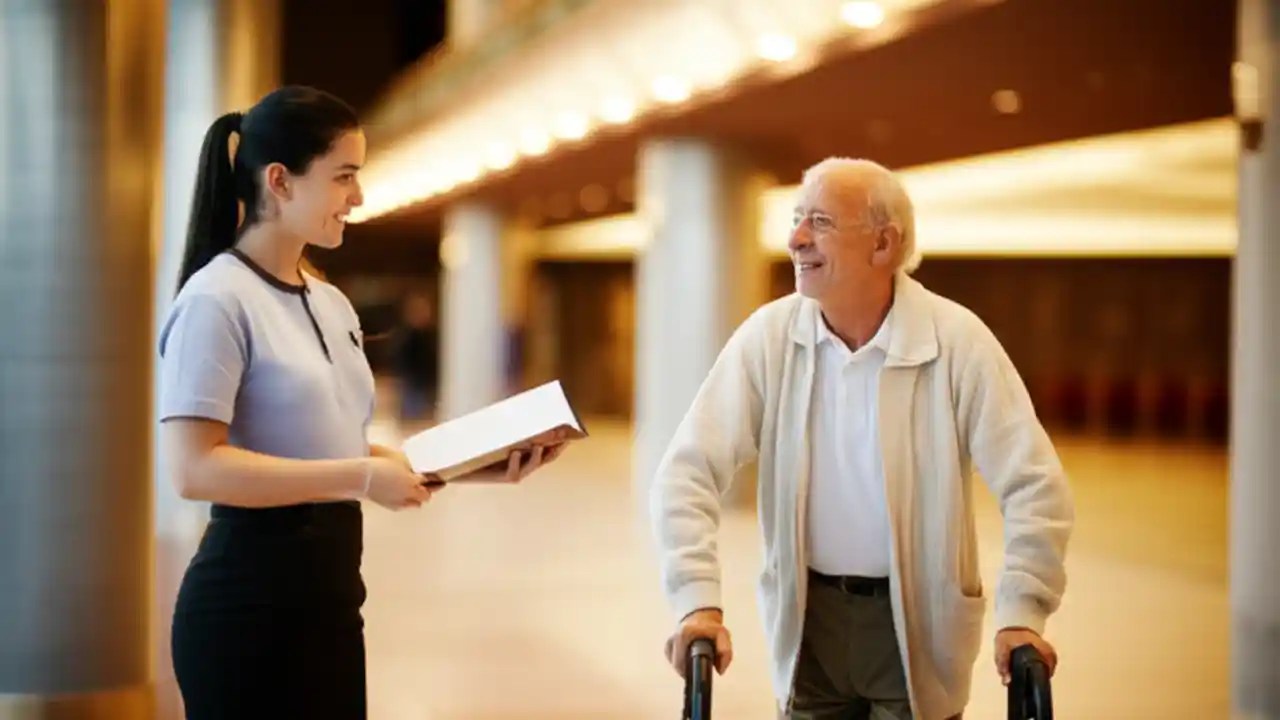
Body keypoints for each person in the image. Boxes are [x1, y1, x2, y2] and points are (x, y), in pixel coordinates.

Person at [157, 85, 566, 719]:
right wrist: (362, 476)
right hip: (245, 611)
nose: (359, 197)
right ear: (280, 182)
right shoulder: (217, 300)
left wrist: (461, 466)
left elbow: (334, 443)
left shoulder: (329, 301)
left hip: (332, 603)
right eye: (344, 177)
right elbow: (194, 468)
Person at [650, 158, 1074, 719]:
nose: (796, 238)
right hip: (810, 626)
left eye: (820, 221)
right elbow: (687, 472)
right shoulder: (770, 341)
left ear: (883, 244)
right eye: (798, 218)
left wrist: (1023, 609)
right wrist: (696, 600)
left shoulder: (956, 343)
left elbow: (1034, 486)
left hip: (917, 625)